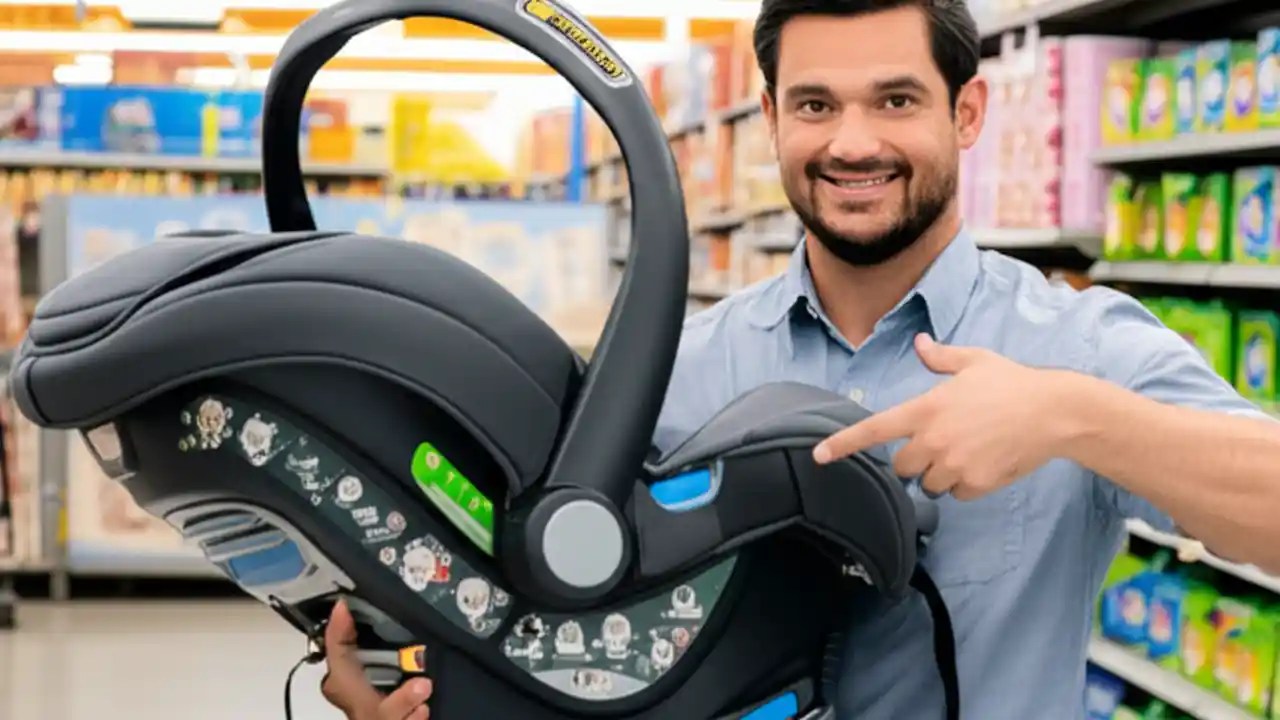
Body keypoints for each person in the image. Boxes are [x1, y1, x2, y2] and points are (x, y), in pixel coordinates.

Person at [320, 0, 1280, 717]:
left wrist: (1073, 417)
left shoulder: (1073, 346)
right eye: (816, 104)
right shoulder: (669, 373)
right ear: (773, 117)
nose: (852, 143)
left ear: (969, 111)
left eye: (896, 99)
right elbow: (565, 634)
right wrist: (413, 683)